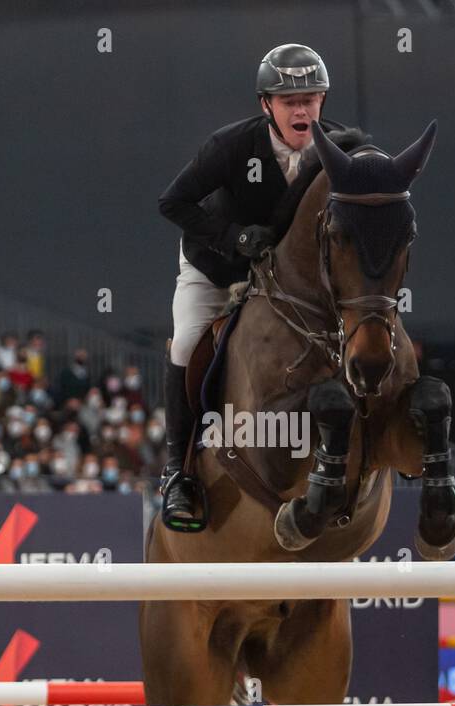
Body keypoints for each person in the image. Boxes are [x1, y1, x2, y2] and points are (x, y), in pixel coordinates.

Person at [156, 43, 348, 532]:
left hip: (288, 280)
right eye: (290, 101)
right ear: (267, 106)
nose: (302, 109)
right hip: (217, 266)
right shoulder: (231, 146)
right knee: (185, 343)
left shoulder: (339, 146)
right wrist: (233, 238)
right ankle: (177, 472)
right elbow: (173, 202)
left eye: (311, 98)